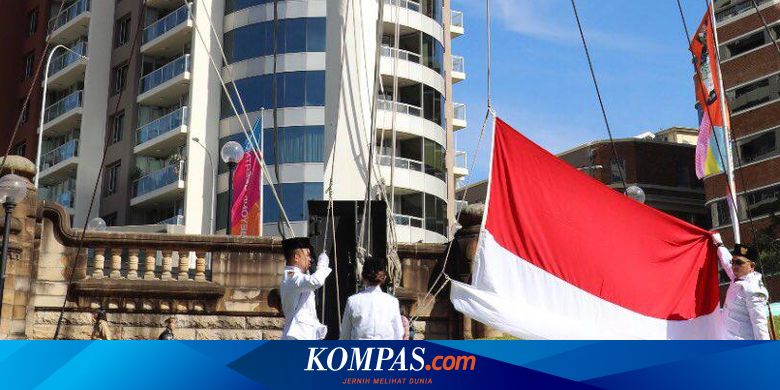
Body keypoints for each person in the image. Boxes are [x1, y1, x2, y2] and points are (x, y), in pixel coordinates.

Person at [713, 233, 770, 340]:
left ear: (752, 266)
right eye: (733, 262)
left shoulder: (754, 290)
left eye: (739, 262)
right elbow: (727, 262)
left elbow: (759, 323)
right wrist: (719, 244)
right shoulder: (738, 276)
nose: (734, 266)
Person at [340, 256, 404, 340]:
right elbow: (398, 334)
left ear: (363, 277)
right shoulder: (393, 302)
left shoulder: (352, 301)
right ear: (384, 278)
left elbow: (345, 335)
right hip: (386, 350)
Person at [279, 237, 331, 340]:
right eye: (307, 255)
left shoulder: (298, 277)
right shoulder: (290, 275)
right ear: (296, 257)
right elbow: (315, 281)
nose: (310, 259)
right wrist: (322, 265)